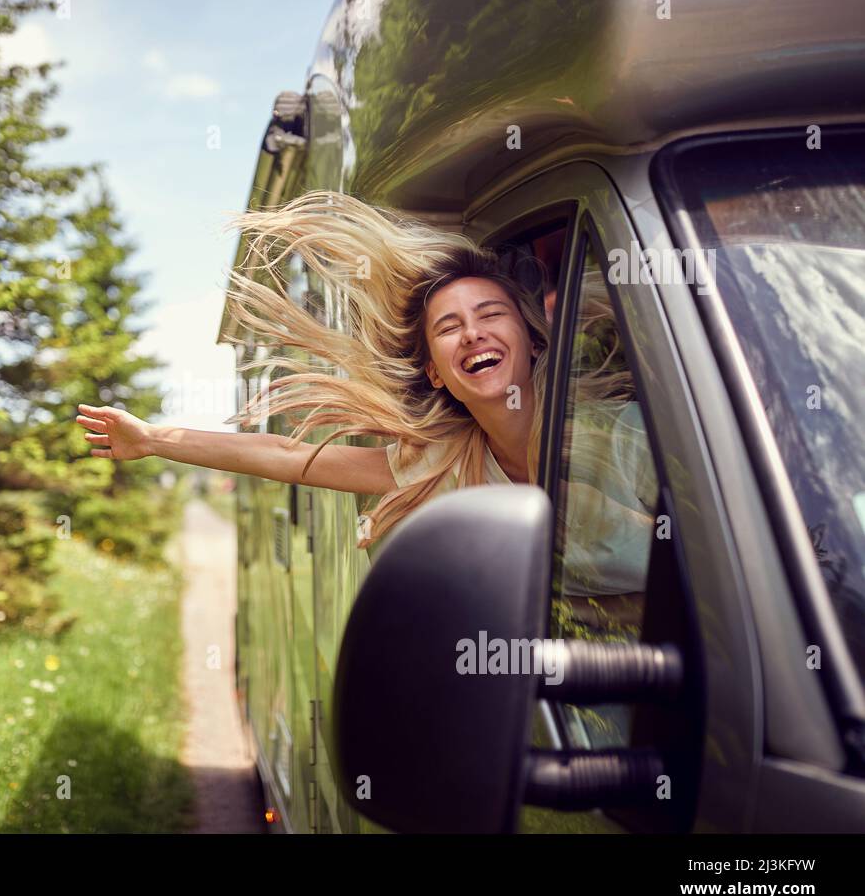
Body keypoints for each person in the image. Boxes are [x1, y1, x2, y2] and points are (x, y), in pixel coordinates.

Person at [75, 190, 654, 598]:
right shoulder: (444, 463)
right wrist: (152, 439)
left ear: (529, 339)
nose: (472, 332)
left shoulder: (629, 436)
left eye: (490, 314)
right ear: (434, 372)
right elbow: (286, 456)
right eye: (448, 327)